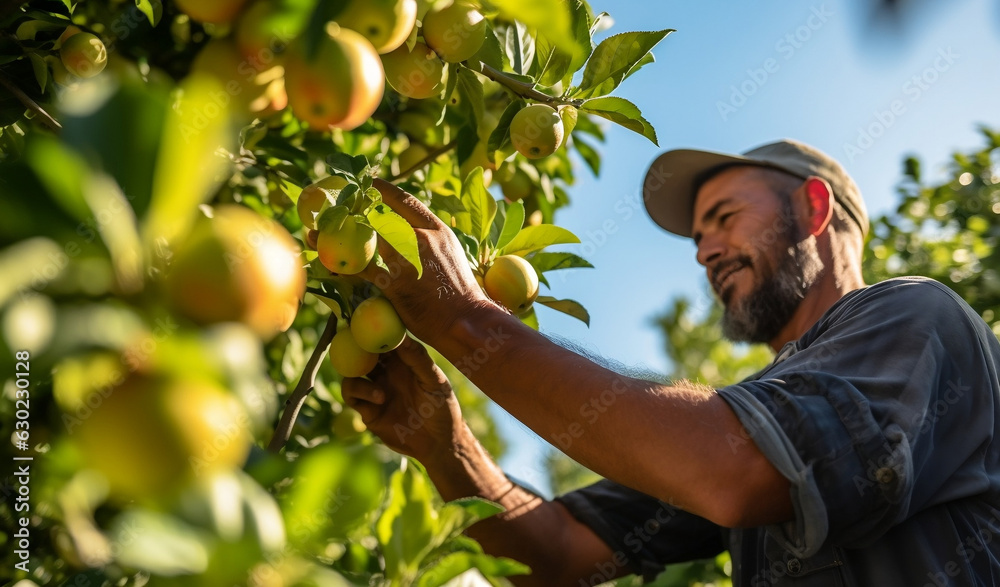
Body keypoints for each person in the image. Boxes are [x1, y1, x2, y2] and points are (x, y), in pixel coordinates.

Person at [342, 139, 1000, 586]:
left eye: (724, 217)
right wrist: (445, 443)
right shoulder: (736, 424)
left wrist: (466, 321)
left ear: (812, 209)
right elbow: (561, 554)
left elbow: (735, 472)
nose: (703, 251)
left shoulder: (918, 316)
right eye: (697, 236)